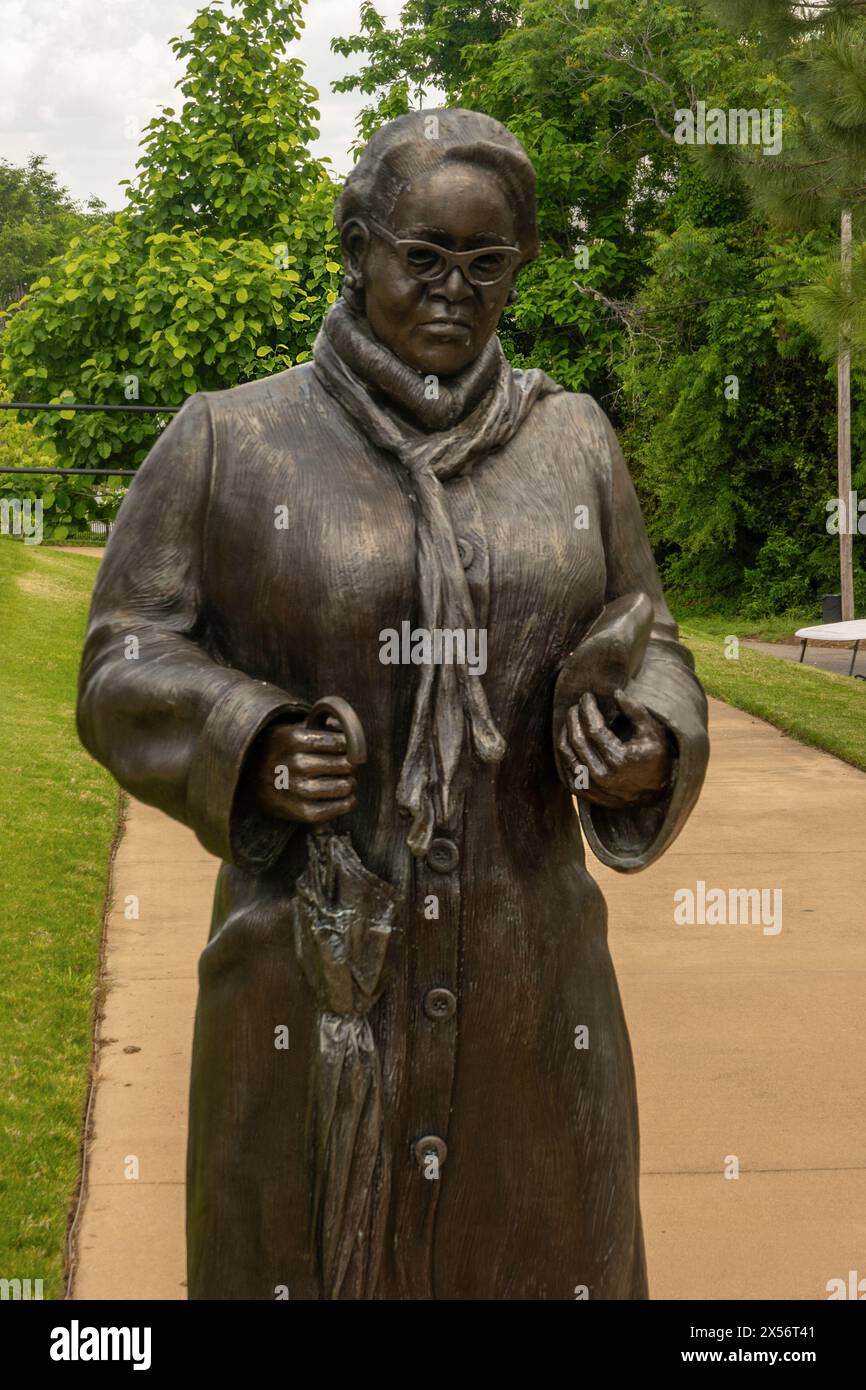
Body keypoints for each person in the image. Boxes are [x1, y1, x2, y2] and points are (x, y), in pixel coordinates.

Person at [77, 108, 709, 1300]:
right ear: (357, 246)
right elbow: (120, 657)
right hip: (304, 991)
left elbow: (652, 642)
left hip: (533, 998)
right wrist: (245, 737)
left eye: (488, 265)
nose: (454, 291)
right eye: (423, 258)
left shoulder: (571, 443)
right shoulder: (231, 439)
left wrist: (641, 741)